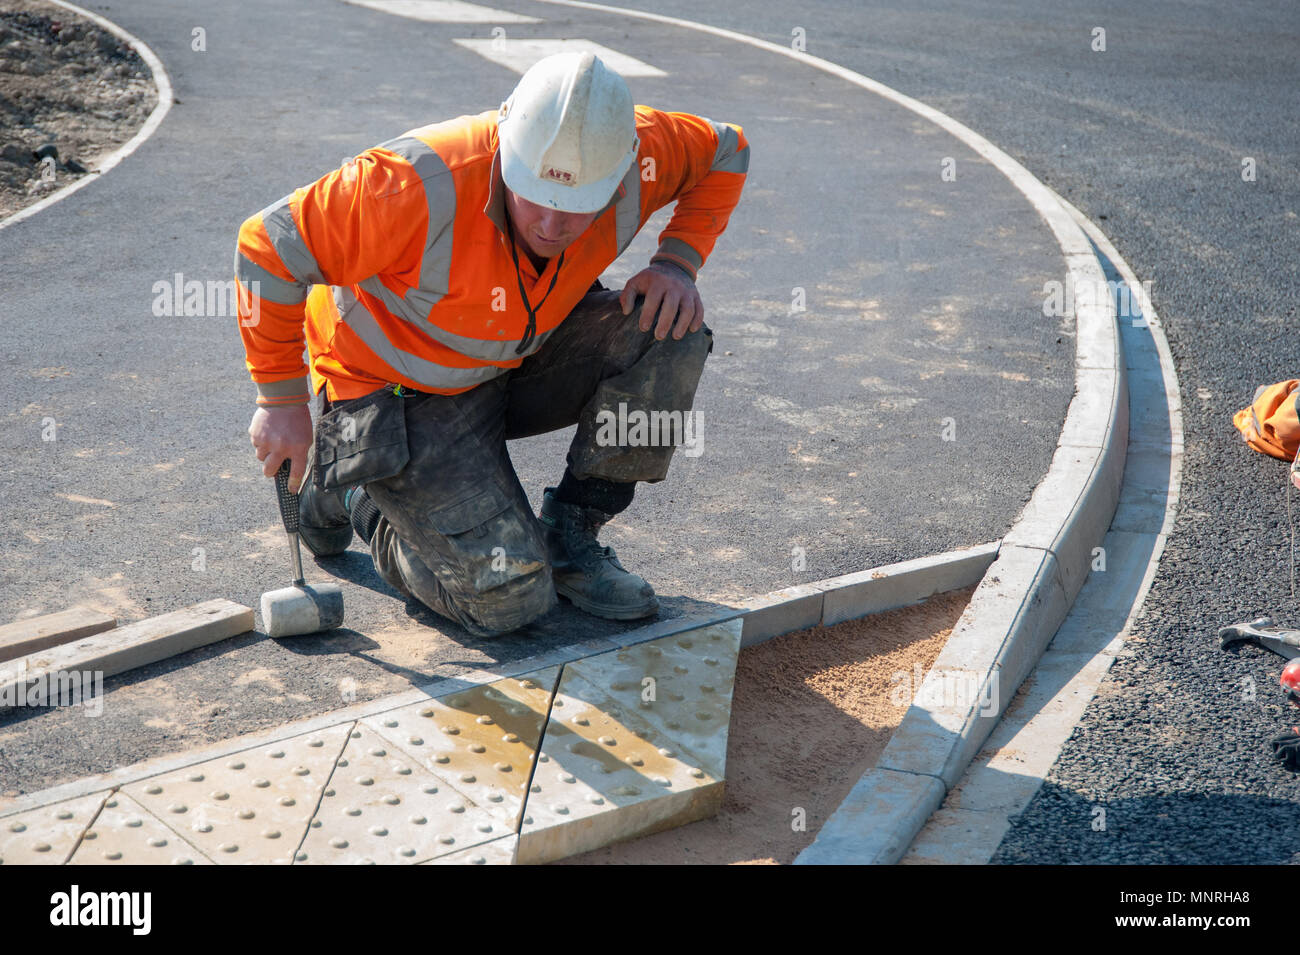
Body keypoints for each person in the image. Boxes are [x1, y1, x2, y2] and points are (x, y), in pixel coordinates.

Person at [235, 52, 748, 637]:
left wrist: (677, 262)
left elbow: (728, 149)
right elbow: (267, 245)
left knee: (669, 328)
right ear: (504, 150)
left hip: (514, 355)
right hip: (399, 391)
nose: (553, 228)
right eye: (535, 199)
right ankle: (358, 491)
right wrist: (279, 399)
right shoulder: (412, 183)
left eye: (578, 209)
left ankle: (571, 534)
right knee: (508, 599)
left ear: (623, 170)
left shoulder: (643, 149)